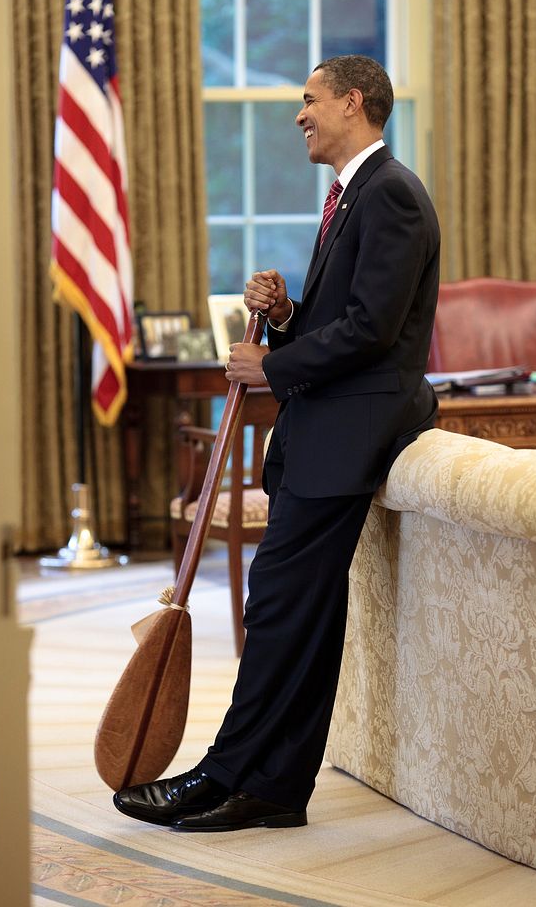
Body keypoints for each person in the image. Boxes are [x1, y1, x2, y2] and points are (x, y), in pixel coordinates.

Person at [113, 54, 440, 832]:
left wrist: (272, 363)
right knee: (295, 617)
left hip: (349, 438)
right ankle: (271, 789)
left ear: (351, 103)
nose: (299, 114)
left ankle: (223, 777)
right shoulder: (352, 195)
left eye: (309, 100)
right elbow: (347, 318)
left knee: (282, 613)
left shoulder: (389, 195)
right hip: (324, 435)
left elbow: (374, 332)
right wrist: (289, 312)